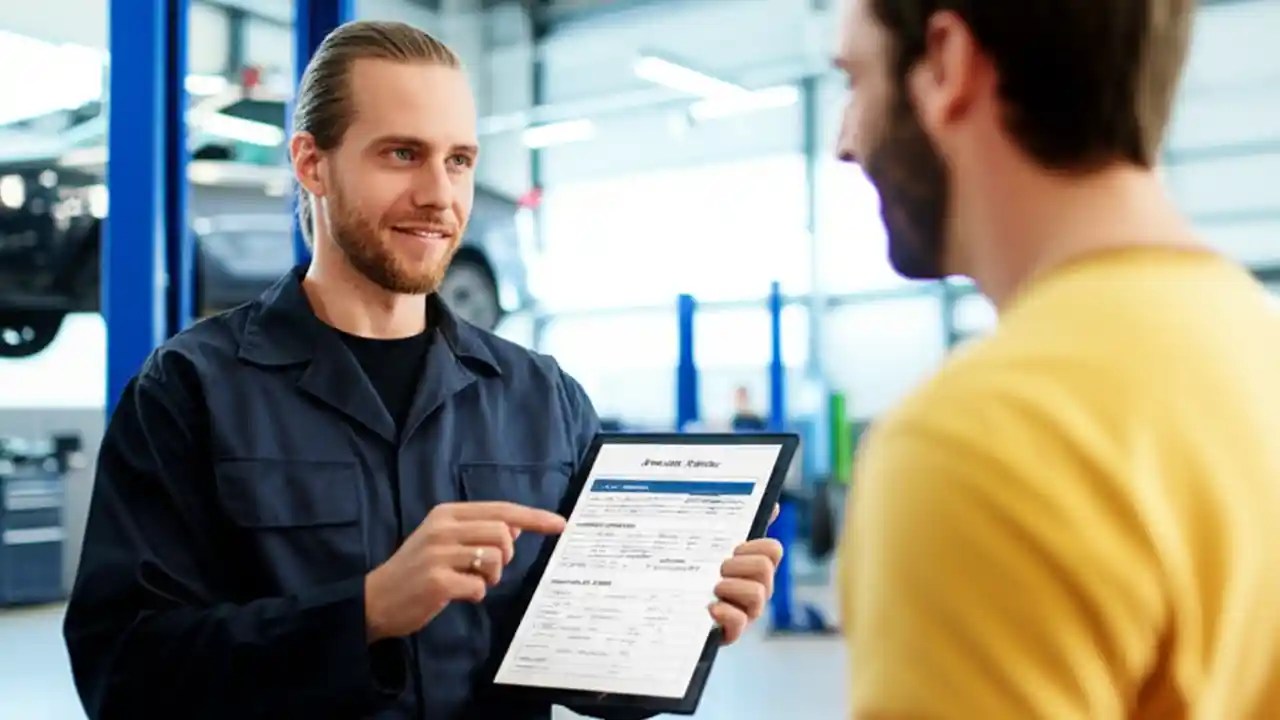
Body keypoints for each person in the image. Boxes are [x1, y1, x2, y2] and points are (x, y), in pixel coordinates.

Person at [63, 21, 782, 720]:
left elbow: (585, 673)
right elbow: (125, 674)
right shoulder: (192, 390)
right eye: (402, 154)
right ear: (312, 163)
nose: (440, 194)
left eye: (459, 159)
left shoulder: (543, 399)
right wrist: (367, 611)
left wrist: (679, 620)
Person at [832, 0, 1280, 718]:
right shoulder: (1251, 345)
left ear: (945, 63)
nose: (845, 142)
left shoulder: (979, 443)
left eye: (855, 78)